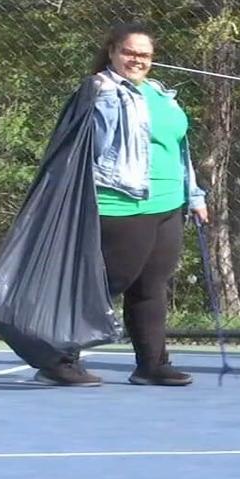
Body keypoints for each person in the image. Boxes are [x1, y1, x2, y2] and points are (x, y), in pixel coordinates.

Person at [34, 22, 208, 387]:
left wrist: (194, 196)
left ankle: (152, 364)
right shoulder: (99, 91)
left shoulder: (162, 94)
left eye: (144, 54)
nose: (137, 60)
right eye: (130, 52)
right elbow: (77, 148)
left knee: (152, 285)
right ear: (112, 51)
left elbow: (178, 149)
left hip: (166, 204)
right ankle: (57, 358)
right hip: (119, 203)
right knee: (104, 284)